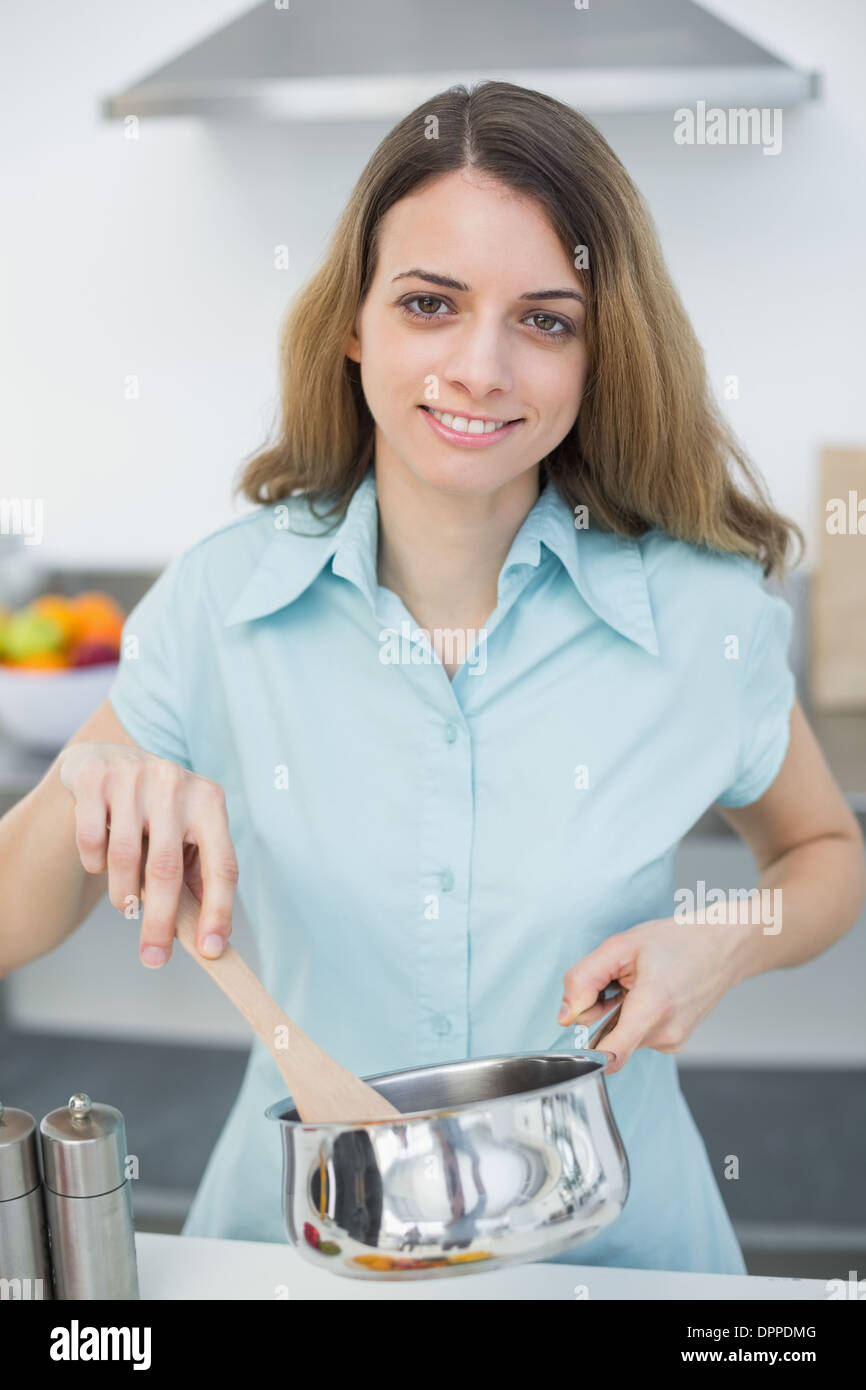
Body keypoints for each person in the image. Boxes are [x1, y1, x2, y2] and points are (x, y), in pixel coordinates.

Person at [2, 81, 863, 1276]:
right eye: (428, 303)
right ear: (354, 322)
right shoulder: (221, 601)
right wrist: (86, 790)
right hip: (297, 1250)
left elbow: (822, 857)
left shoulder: (703, 615)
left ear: (597, 346)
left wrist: (722, 935)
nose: (479, 366)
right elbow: (14, 915)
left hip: (620, 1254)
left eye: (544, 320)